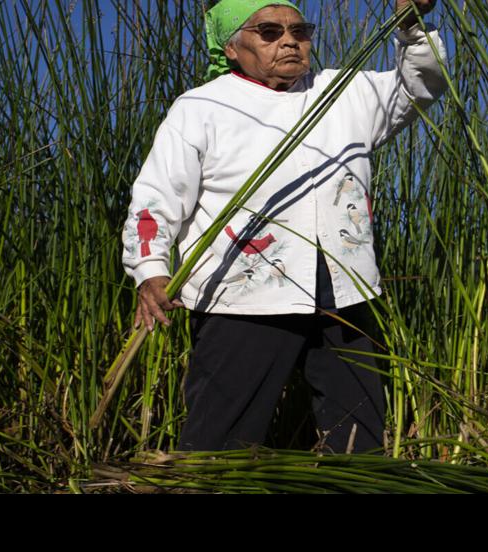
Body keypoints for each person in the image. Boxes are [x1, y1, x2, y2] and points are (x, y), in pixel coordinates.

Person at [121, 0, 444, 452]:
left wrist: (409, 23)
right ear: (233, 47)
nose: (289, 40)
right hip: (241, 299)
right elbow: (158, 197)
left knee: (358, 440)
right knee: (220, 445)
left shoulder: (345, 93)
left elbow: (422, 84)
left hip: (344, 293)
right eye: (269, 32)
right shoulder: (200, 108)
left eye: (300, 30)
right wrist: (150, 269)